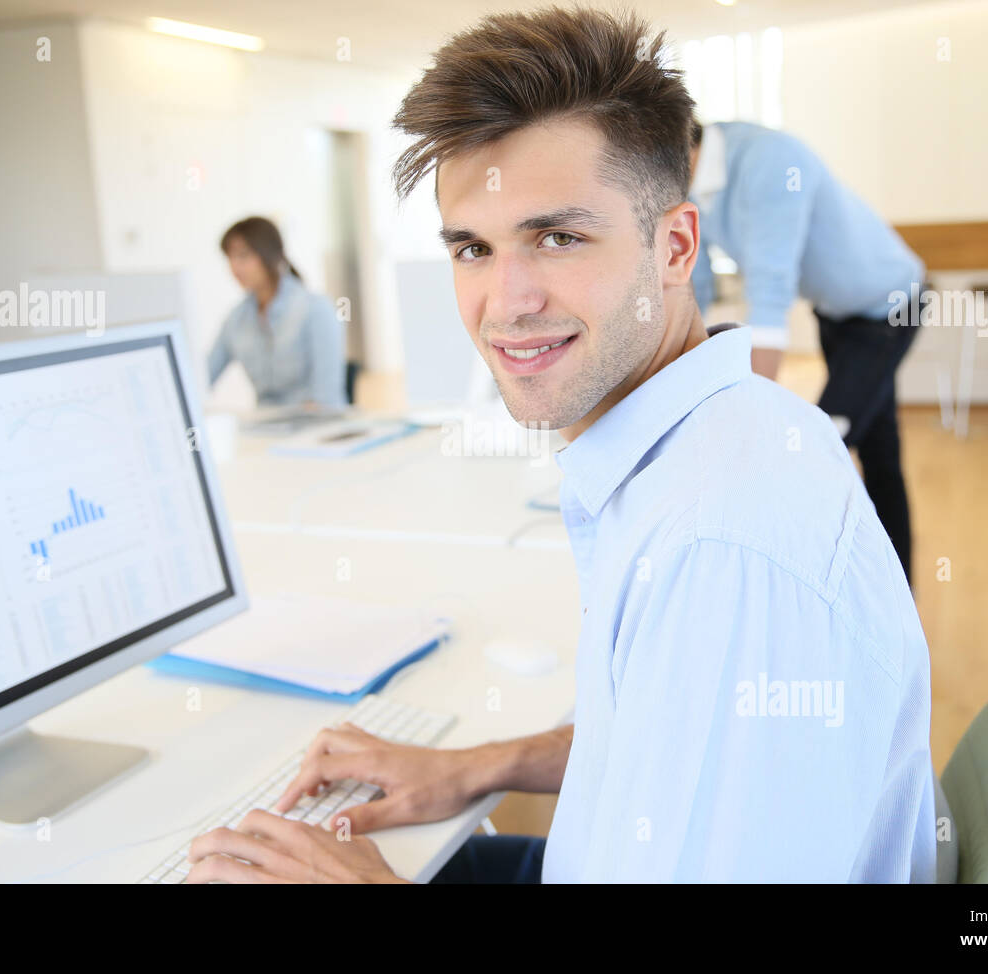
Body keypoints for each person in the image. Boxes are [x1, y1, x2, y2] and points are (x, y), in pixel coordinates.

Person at [182, 7, 937, 884]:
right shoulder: (685, 448)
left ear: (676, 247)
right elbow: (658, 735)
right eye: (473, 247)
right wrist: (477, 766)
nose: (507, 302)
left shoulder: (723, 545)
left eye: (558, 237)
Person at [687, 120, 925, 584]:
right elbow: (697, 285)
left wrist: (747, 416)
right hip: (836, 313)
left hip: (890, 307)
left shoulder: (768, 159)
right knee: (881, 454)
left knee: (817, 453)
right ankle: (900, 602)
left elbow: (770, 288)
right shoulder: (691, 183)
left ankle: (841, 602)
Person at [207, 216, 348, 409]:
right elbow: (203, 377)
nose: (234, 267)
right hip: (265, 429)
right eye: (230, 258)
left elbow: (325, 398)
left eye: (243, 255)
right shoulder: (236, 319)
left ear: (268, 254)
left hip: (316, 427)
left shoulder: (315, 309)